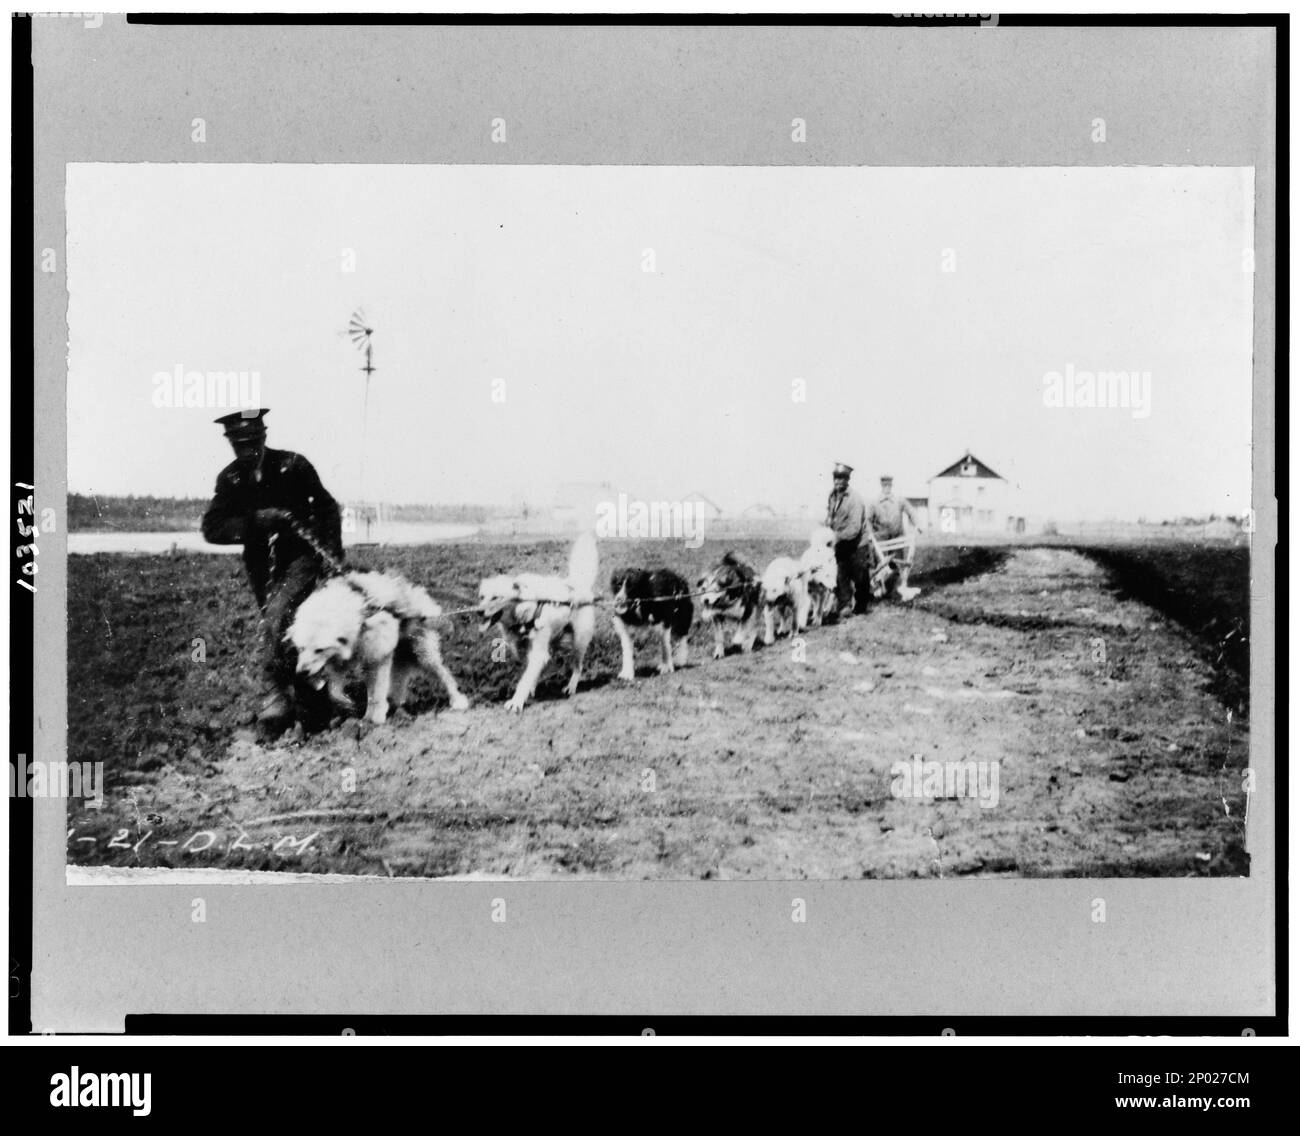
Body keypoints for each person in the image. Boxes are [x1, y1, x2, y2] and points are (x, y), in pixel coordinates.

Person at [202, 409, 343, 739]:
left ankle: (277, 701)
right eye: (239, 444)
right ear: (231, 444)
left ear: (264, 437)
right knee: (287, 632)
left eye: (252, 442)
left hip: (301, 558)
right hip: (262, 565)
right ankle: (315, 710)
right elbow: (212, 528)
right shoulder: (231, 479)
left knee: (279, 619)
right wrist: (254, 522)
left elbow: (326, 507)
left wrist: (332, 555)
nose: (246, 450)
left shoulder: (293, 465)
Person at [824, 461, 871, 618]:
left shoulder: (855, 499)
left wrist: (835, 537)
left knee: (859, 574)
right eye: (835, 478)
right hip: (841, 542)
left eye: (842, 478)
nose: (838, 482)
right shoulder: (832, 496)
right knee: (841, 573)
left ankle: (861, 605)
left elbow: (854, 528)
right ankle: (845, 605)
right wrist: (826, 530)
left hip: (857, 542)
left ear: (847, 480)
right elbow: (830, 517)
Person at [867, 474, 920, 596]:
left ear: (891, 486)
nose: (887, 488)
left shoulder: (899, 501)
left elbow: (911, 512)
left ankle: (897, 587)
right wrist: (870, 533)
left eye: (889, 485)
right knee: (881, 565)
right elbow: (868, 520)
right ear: (881, 486)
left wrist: (918, 525)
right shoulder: (874, 503)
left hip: (897, 538)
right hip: (881, 540)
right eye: (885, 485)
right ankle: (879, 588)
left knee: (898, 563)